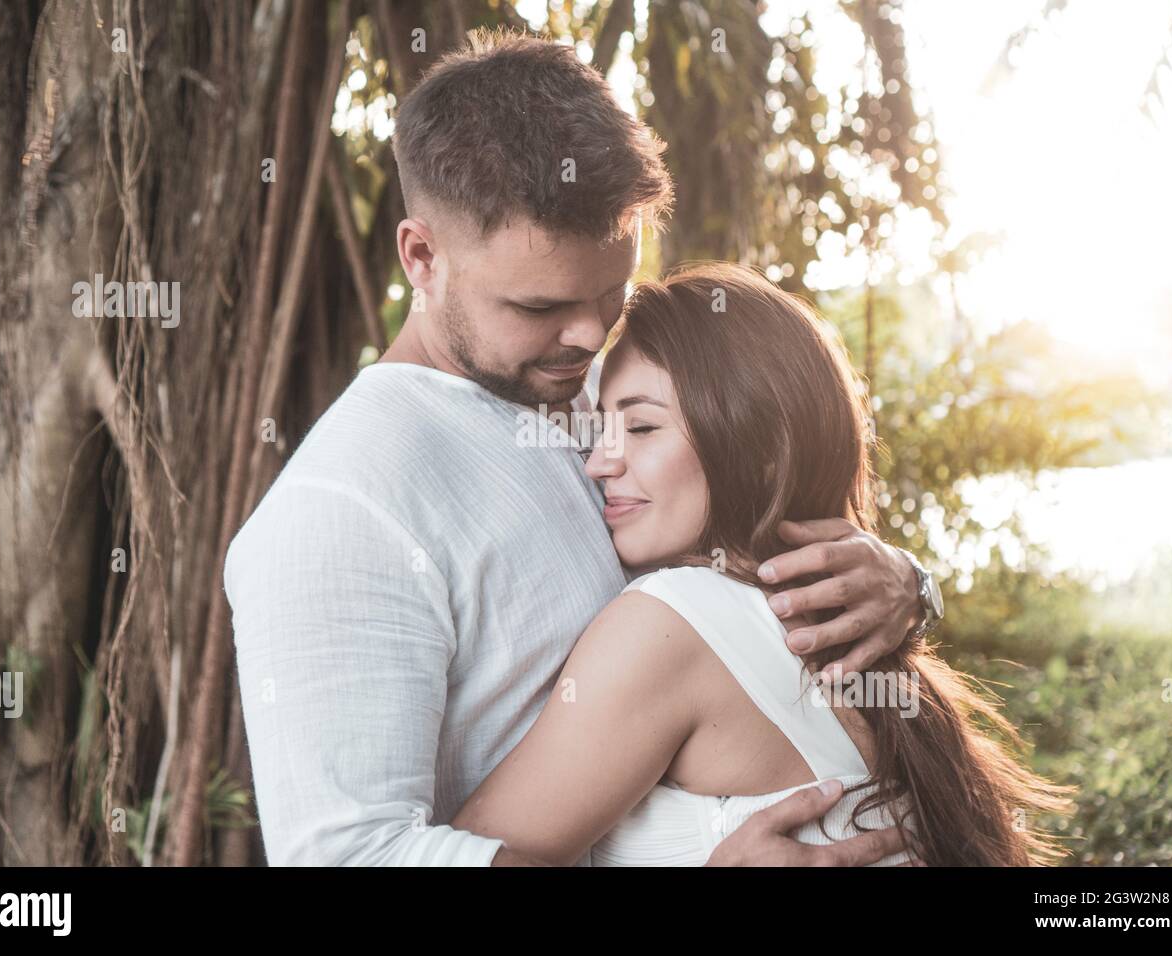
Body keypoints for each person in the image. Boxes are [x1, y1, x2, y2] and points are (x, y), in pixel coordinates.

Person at [225, 30, 929, 866]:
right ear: (422, 257)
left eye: (611, 291)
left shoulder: (590, 399)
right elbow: (344, 859)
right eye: (540, 305)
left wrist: (905, 582)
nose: (589, 333)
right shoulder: (342, 507)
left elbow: (737, 564)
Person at [451, 263, 1073, 866]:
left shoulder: (668, 623)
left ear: (761, 454)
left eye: (641, 427)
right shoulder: (845, 633)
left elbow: (435, 859)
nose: (599, 463)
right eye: (602, 429)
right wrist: (918, 586)